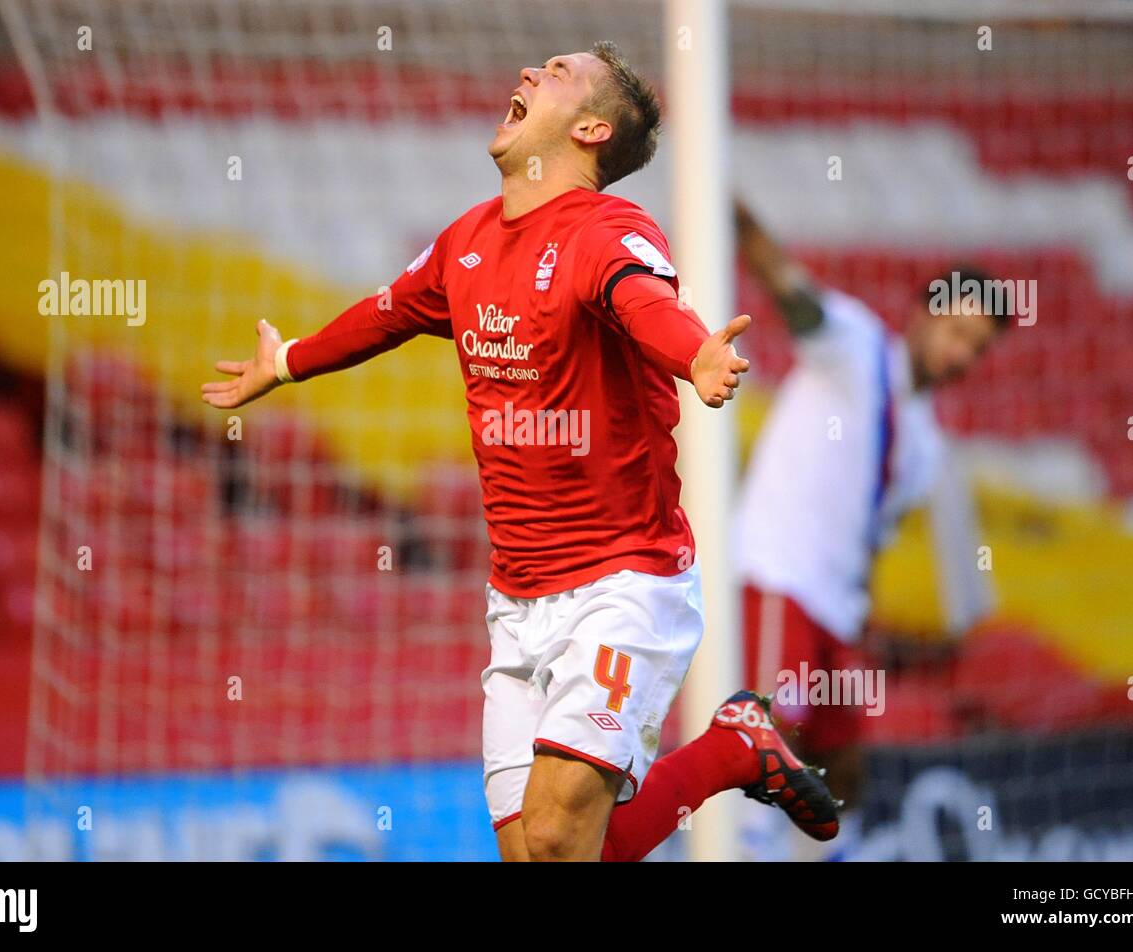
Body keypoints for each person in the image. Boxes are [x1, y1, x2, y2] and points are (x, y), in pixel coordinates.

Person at [203, 42, 836, 862]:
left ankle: (730, 751)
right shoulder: (467, 238)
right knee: (544, 856)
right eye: (537, 68)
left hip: (625, 580)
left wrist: (694, 356)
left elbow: (641, 299)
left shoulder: (606, 229)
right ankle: (737, 748)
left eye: (559, 73)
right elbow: (386, 312)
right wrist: (289, 361)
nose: (532, 75)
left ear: (592, 129)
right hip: (518, 600)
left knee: (559, 841)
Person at [732, 199, 1009, 857]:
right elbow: (790, 289)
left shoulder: (925, 449)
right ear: (923, 312)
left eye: (977, 346)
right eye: (956, 331)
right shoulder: (854, 346)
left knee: (844, 769)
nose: (960, 353)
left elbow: (868, 539)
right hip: (778, 577)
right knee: (766, 743)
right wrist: (736, 216)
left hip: (836, 607)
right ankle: (735, 846)